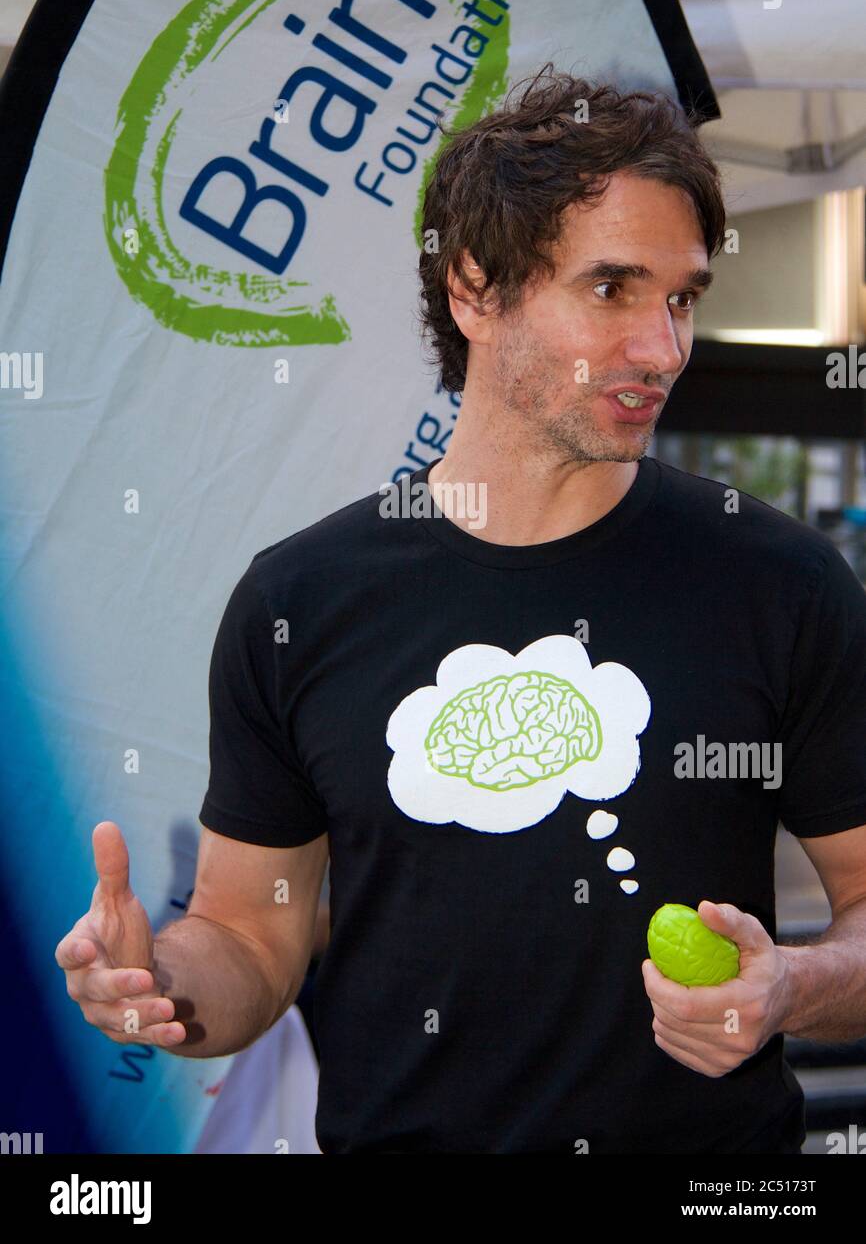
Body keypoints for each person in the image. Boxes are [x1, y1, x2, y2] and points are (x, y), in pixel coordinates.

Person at [57, 66, 866, 1154]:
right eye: (610, 288)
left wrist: (792, 985)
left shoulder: (783, 586)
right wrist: (156, 976)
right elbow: (251, 938)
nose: (661, 349)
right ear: (474, 287)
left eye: (680, 298)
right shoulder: (299, 602)